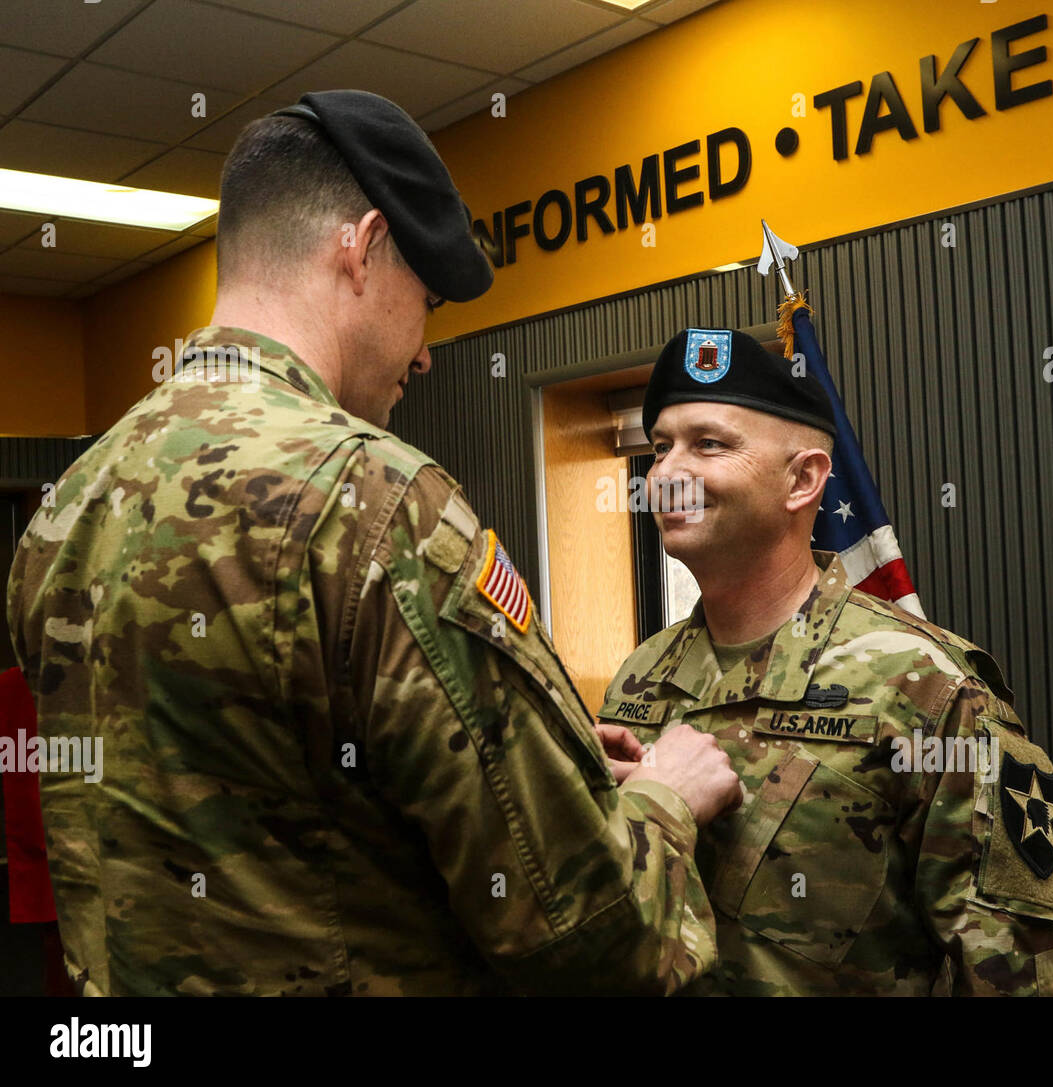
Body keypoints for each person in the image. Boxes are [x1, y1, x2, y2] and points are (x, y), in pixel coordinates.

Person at [4, 91, 740, 997]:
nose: (425, 352)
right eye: (426, 298)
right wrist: (665, 797)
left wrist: (510, 745)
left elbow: (242, 768)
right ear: (361, 248)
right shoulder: (376, 501)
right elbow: (592, 940)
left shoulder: (70, 501)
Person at [599, 327, 1053, 996]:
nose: (668, 473)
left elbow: (1020, 977)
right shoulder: (637, 681)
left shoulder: (930, 688)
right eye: (660, 446)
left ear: (802, 479)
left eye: (708, 443)